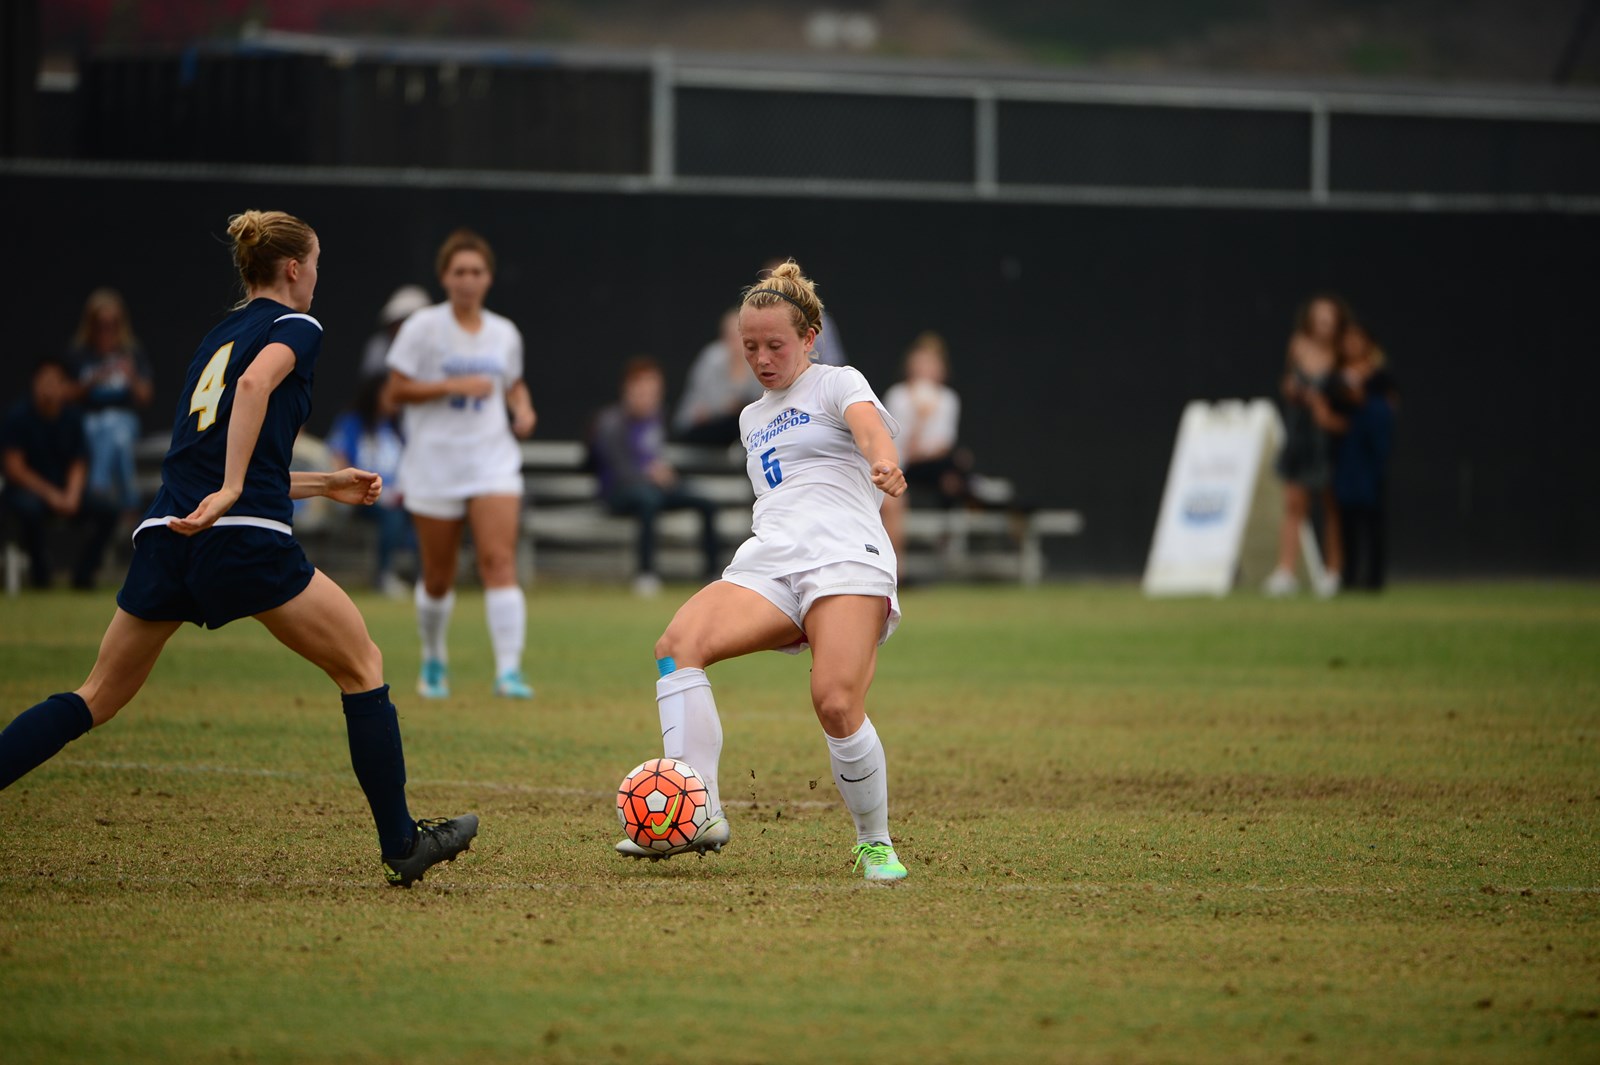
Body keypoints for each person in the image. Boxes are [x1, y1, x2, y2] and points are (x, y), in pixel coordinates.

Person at [0, 210, 477, 888]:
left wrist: (322, 483)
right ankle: (403, 843)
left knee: (96, 695)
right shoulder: (299, 326)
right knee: (362, 664)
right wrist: (230, 492)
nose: (317, 277)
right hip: (243, 539)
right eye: (316, 263)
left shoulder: (215, 338)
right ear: (293, 268)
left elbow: (221, 451)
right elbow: (254, 391)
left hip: (170, 533)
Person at [616, 260, 911, 883]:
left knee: (836, 702)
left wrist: (884, 462)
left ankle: (875, 842)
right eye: (749, 346)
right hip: (772, 561)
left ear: (809, 338)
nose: (761, 358)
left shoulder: (837, 382)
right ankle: (698, 812)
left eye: (775, 344)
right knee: (676, 647)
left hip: (844, 556)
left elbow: (869, 431)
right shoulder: (751, 418)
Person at [385, 228, 537, 700]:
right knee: (437, 575)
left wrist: (522, 408)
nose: (468, 280)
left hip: (492, 460)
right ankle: (433, 660)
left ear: (488, 278)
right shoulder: (422, 327)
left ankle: (509, 671)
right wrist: (450, 386)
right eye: (459, 272)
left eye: (476, 271)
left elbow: (513, 383)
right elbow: (395, 391)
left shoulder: (504, 332)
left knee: (499, 561)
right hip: (435, 463)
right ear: (444, 277)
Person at [593, 356, 721, 596]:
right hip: (618, 493)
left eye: (654, 392)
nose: (649, 397)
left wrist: (664, 472)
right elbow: (618, 470)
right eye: (643, 391)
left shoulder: (656, 418)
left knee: (706, 502)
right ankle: (646, 575)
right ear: (628, 390)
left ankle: (712, 574)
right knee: (648, 501)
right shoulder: (610, 422)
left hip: (655, 489)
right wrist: (649, 474)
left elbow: (653, 456)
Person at [1, 357, 118, 589]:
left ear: (65, 386)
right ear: (34, 384)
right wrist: (51, 495)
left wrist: (72, 495)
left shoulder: (73, 417)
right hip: (30, 491)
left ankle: (83, 576)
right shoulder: (18, 417)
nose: (49, 387)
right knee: (28, 510)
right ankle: (40, 577)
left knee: (108, 510)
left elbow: (79, 461)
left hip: (66, 491)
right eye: (44, 381)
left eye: (55, 381)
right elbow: (15, 469)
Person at [1264, 293, 1348, 598]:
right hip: (1300, 436)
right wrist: (1292, 390)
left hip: (1327, 439)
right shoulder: (1297, 345)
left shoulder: (1341, 353)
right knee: (1293, 504)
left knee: (1332, 506)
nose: (1324, 323)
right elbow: (1288, 382)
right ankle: (1285, 571)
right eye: (1319, 317)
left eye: (1329, 318)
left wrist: (1325, 409)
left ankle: (1333, 572)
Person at [880, 331, 969, 576]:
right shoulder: (898, 396)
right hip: (900, 463)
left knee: (955, 471)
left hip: (931, 467)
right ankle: (896, 568)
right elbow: (895, 440)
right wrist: (919, 420)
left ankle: (946, 538)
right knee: (892, 499)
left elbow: (943, 443)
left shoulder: (948, 399)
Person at [65, 288, 154, 516]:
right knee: (117, 439)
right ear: (91, 324)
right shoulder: (80, 353)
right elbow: (64, 394)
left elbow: (146, 396)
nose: (107, 329)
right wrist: (91, 382)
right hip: (89, 420)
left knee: (113, 424)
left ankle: (97, 488)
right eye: (101, 324)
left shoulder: (131, 352)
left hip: (125, 418)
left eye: (112, 324)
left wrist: (131, 375)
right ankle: (130, 505)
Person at [329, 375, 414, 597]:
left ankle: (422, 576)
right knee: (392, 517)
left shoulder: (397, 428)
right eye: (390, 394)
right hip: (361, 495)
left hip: (397, 495)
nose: (396, 400)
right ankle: (384, 575)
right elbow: (338, 459)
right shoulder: (352, 422)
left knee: (423, 513)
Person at [1332, 321, 1398, 591]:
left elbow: (1389, 408)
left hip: (1371, 452)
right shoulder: (1336, 377)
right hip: (1347, 453)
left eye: (1357, 339)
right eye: (1347, 340)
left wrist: (1364, 402)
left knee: (1373, 514)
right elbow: (1331, 411)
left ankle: (1374, 577)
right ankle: (1348, 575)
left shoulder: (1380, 376)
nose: (1352, 345)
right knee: (1346, 515)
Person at [672, 308, 763, 445]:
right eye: (730, 336)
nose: (736, 342)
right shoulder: (712, 358)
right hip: (700, 428)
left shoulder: (759, 359)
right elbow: (702, 409)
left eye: (741, 335)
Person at [762, 257, 848, 366]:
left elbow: (832, 363)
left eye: (787, 281)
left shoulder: (819, 321)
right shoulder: (751, 320)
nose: (781, 289)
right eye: (775, 283)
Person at [359, 284, 431, 382]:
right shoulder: (379, 347)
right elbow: (373, 386)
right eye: (397, 323)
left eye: (408, 321)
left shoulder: (438, 344)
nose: (401, 328)